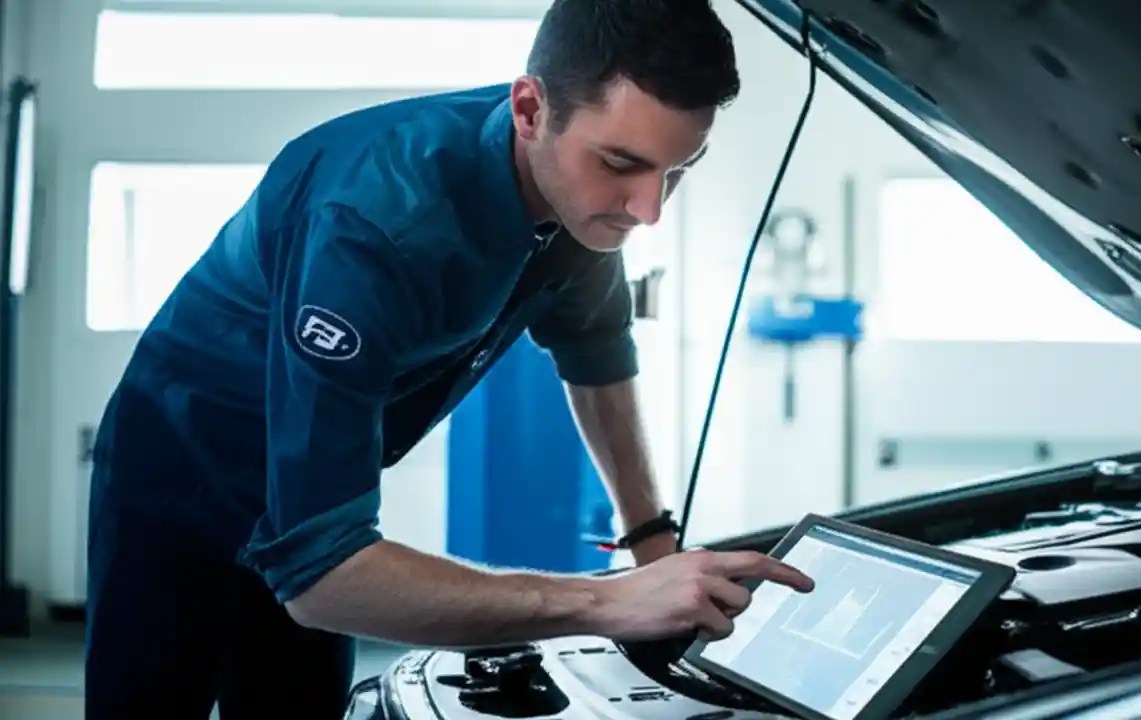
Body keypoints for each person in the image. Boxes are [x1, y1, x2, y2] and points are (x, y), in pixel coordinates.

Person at [83, 0, 814, 717]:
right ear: (530, 109)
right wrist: (607, 601)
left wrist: (652, 544)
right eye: (622, 163)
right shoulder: (371, 226)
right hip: (177, 481)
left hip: (311, 497)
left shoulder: (579, 199)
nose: (649, 209)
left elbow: (597, 354)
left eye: (677, 171)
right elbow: (321, 579)